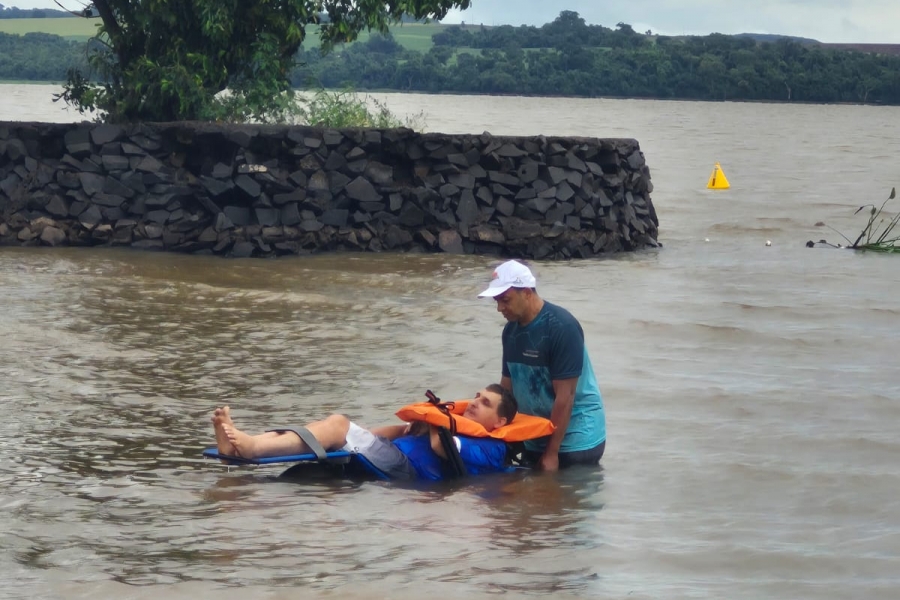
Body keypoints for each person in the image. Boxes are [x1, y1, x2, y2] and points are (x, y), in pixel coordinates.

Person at [211, 384, 518, 481]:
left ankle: (249, 447)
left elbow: (441, 448)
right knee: (336, 429)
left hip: (406, 469)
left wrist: (437, 420)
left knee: (339, 425)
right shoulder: (449, 424)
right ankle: (242, 445)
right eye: (476, 397)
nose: (474, 403)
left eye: (485, 403)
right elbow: (393, 431)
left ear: (500, 421)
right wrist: (365, 436)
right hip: (391, 454)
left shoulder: (493, 447)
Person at [477, 259, 605, 471]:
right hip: (534, 434)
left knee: (558, 500)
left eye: (505, 300)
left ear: (526, 292)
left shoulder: (562, 327)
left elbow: (566, 397)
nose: (500, 308)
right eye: (497, 301)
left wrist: (551, 452)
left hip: (576, 439)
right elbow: (506, 391)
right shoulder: (510, 332)